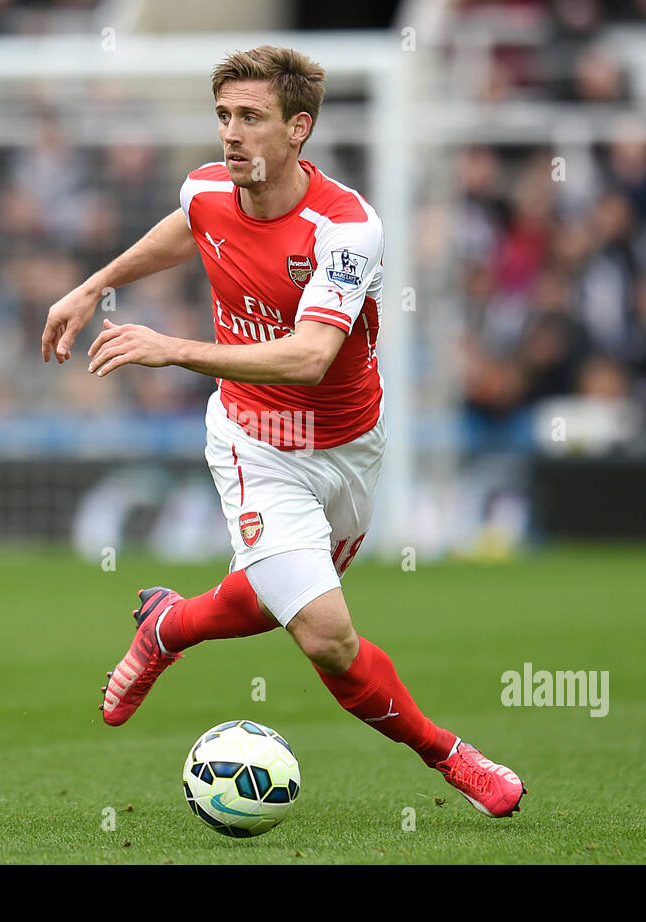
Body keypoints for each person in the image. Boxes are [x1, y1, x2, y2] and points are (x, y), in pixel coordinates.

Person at [42, 45, 525, 817]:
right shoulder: (207, 187)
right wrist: (94, 284)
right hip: (254, 443)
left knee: (272, 600)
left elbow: (309, 356)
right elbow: (192, 225)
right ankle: (453, 755)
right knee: (327, 634)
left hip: (350, 445)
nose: (231, 135)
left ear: (298, 128)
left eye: (252, 118)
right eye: (224, 117)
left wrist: (172, 348)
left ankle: (167, 625)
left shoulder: (345, 228)